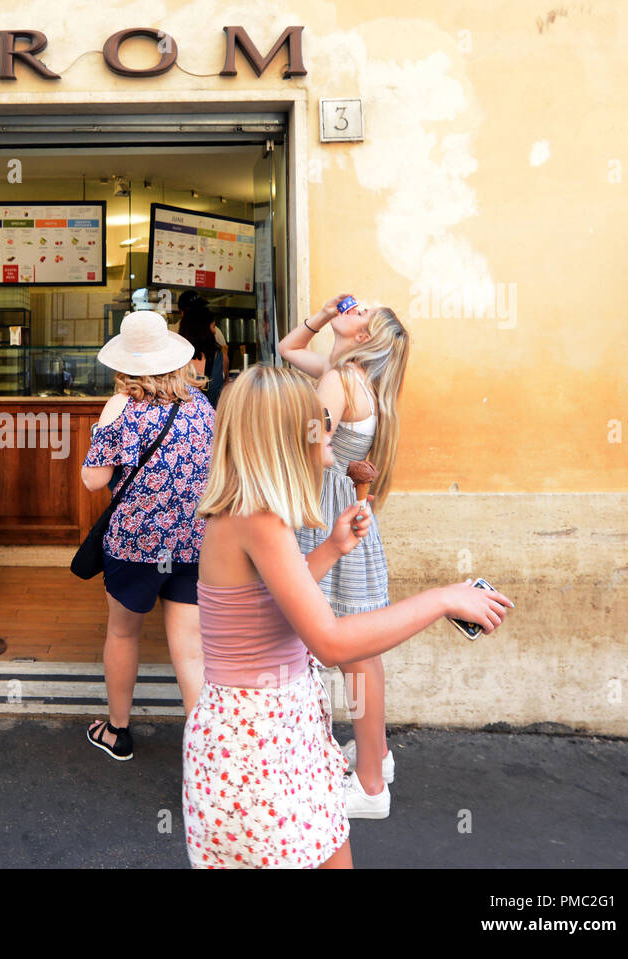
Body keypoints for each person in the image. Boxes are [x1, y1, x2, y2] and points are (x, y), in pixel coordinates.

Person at [185, 365, 510, 868]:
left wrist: (333, 548)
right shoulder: (260, 520)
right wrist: (442, 599)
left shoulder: (251, 512)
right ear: (291, 440)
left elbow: (266, 604)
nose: (334, 435)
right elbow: (331, 642)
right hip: (255, 745)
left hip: (276, 732)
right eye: (324, 425)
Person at [277, 294, 410, 818]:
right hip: (349, 512)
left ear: (364, 335)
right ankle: (376, 754)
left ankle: (371, 788)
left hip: (324, 512)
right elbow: (289, 348)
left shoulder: (341, 378)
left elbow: (313, 445)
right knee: (363, 649)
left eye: (362, 310)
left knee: (353, 652)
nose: (355, 304)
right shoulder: (352, 375)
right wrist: (328, 316)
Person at [81, 309, 214, 760]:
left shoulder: (121, 406)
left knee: (122, 634)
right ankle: (205, 757)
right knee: (191, 650)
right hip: (192, 543)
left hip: (135, 544)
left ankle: (117, 732)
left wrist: (103, 430)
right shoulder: (202, 407)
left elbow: (93, 480)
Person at [176, 291, 225, 407]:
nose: (214, 330)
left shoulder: (175, 355)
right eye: (212, 326)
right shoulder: (217, 356)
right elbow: (218, 395)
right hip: (210, 421)